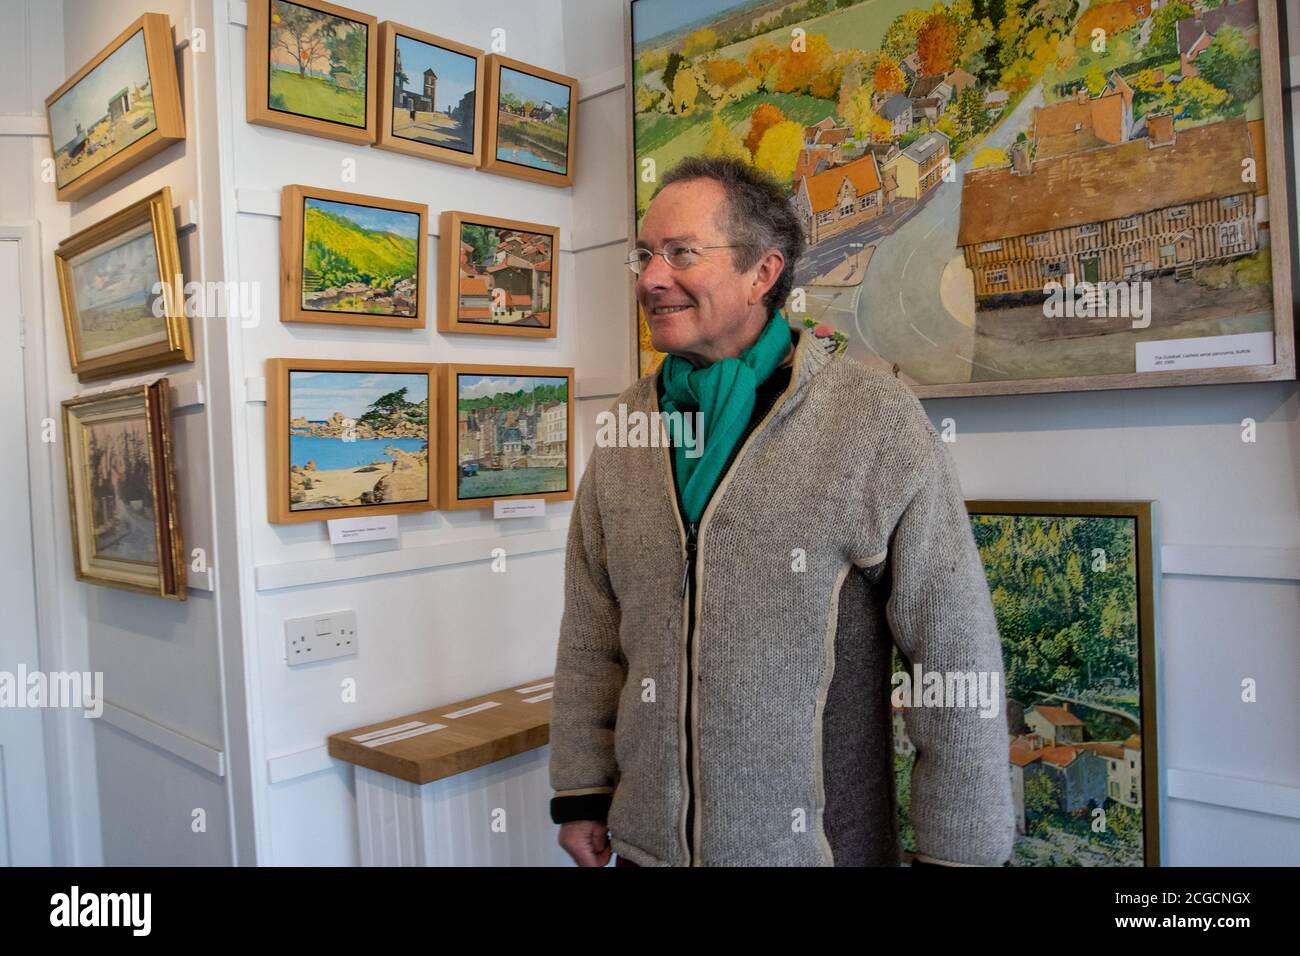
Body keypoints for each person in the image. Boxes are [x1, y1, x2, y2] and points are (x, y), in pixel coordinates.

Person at [548, 156, 1014, 867]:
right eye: (644, 255)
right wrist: (583, 787)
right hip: (647, 848)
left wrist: (959, 852)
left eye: (680, 253)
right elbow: (591, 627)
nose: (650, 278)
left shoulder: (872, 419)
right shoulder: (627, 428)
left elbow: (953, 653)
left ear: (763, 273)